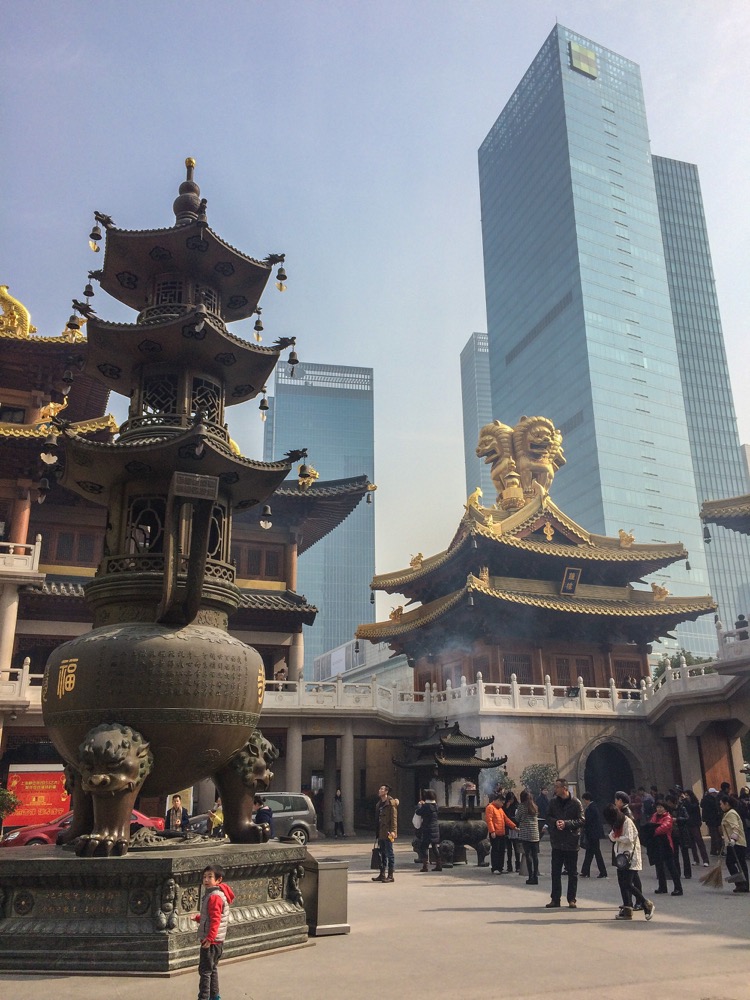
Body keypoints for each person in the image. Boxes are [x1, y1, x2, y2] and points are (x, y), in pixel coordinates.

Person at [603, 804, 655, 921]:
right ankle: (627, 910)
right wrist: (615, 837)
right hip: (620, 857)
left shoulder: (627, 821)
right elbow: (611, 835)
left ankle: (646, 903)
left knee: (627, 883)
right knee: (622, 884)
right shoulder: (617, 823)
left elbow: (629, 839)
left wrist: (617, 838)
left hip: (630, 857)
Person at [193, 863, 234, 1000]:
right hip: (217, 941)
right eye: (204, 877)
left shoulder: (214, 897)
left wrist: (209, 939)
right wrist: (198, 918)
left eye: (210, 877)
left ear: (218, 880)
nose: (206, 880)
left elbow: (216, 920)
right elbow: (212, 917)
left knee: (205, 971)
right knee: (212, 969)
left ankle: (204, 997)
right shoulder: (217, 894)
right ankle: (214, 996)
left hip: (211, 941)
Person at [545, 778, 584, 909]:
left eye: (557, 787)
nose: (554, 789)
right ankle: (555, 899)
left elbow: (581, 820)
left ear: (564, 788)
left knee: (572, 872)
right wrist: (556, 822)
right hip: (557, 842)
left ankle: (571, 899)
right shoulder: (553, 803)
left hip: (571, 842)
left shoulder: (576, 802)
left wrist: (566, 823)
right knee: (555, 872)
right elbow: (548, 817)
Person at [650, 800, 683, 896]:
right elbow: (650, 825)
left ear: (665, 808)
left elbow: (663, 828)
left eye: (661, 807)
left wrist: (653, 831)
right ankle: (662, 887)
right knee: (659, 867)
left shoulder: (668, 817)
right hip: (657, 844)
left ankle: (678, 888)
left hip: (666, 845)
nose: (659, 809)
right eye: (658, 807)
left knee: (671, 867)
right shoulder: (655, 816)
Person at [719, 794, 749, 893]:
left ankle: (740, 883)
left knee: (730, 862)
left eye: (721, 804)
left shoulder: (731, 813)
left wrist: (733, 840)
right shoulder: (729, 813)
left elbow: (735, 828)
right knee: (741, 863)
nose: (720, 806)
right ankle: (744, 884)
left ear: (726, 803)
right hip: (736, 843)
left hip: (736, 843)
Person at [372, 783, 398, 883]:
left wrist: (393, 831)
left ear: (386, 791)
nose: (379, 790)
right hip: (380, 832)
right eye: (380, 789)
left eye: (382, 789)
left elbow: (394, 819)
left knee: (390, 853)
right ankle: (382, 874)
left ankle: (390, 875)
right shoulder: (379, 804)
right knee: (382, 853)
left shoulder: (391, 803)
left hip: (388, 832)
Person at [485, 790, 516, 874]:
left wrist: (514, 826)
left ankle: (500, 867)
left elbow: (506, 819)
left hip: (502, 833)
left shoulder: (500, 809)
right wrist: (492, 831)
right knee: (495, 850)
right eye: (502, 803)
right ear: (498, 800)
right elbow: (489, 820)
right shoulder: (490, 807)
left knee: (502, 850)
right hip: (495, 833)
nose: (503, 805)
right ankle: (495, 867)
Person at [580, 793, 607, 879]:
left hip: (593, 834)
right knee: (589, 853)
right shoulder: (592, 807)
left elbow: (589, 821)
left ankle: (603, 872)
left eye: (584, 800)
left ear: (587, 799)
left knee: (596, 853)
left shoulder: (591, 808)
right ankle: (585, 871)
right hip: (592, 834)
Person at [515, 789, 540, 884]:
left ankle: (531, 876)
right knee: (535, 856)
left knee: (528, 854)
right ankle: (536, 876)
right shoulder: (535, 806)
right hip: (535, 834)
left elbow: (517, 818)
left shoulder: (522, 806)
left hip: (526, 833)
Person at [415, 789, 442, 872]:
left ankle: (425, 866)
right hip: (435, 828)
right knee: (434, 847)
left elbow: (418, 812)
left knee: (424, 847)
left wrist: (419, 805)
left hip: (427, 828)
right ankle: (439, 864)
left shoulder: (426, 806)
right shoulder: (436, 806)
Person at [682, 789, 709, 866]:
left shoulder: (695, 803)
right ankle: (696, 859)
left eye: (687, 795)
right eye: (685, 795)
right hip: (688, 824)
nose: (686, 797)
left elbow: (691, 809)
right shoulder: (685, 803)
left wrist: (686, 801)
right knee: (692, 843)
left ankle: (705, 860)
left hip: (694, 824)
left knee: (699, 841)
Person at [503, 791, 521, 873]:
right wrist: (506, 807)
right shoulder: (504, 806)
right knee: (509, 849)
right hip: (507, 829)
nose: (510, 801)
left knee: (516, 848)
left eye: (512, 799)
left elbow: (517, 818)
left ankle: (518, 865)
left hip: (515, 828)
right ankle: (509, 866)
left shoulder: (517, 806)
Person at [701, 787, 723, 856]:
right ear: (712, 793)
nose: (715, 794)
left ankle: (714, 851)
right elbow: (715, 810)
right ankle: (719, 850)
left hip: (709, 821)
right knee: (716, 836)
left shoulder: (704, 800)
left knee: (714, 836)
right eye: (714, 793)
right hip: (714, 820)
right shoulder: (712, 801)